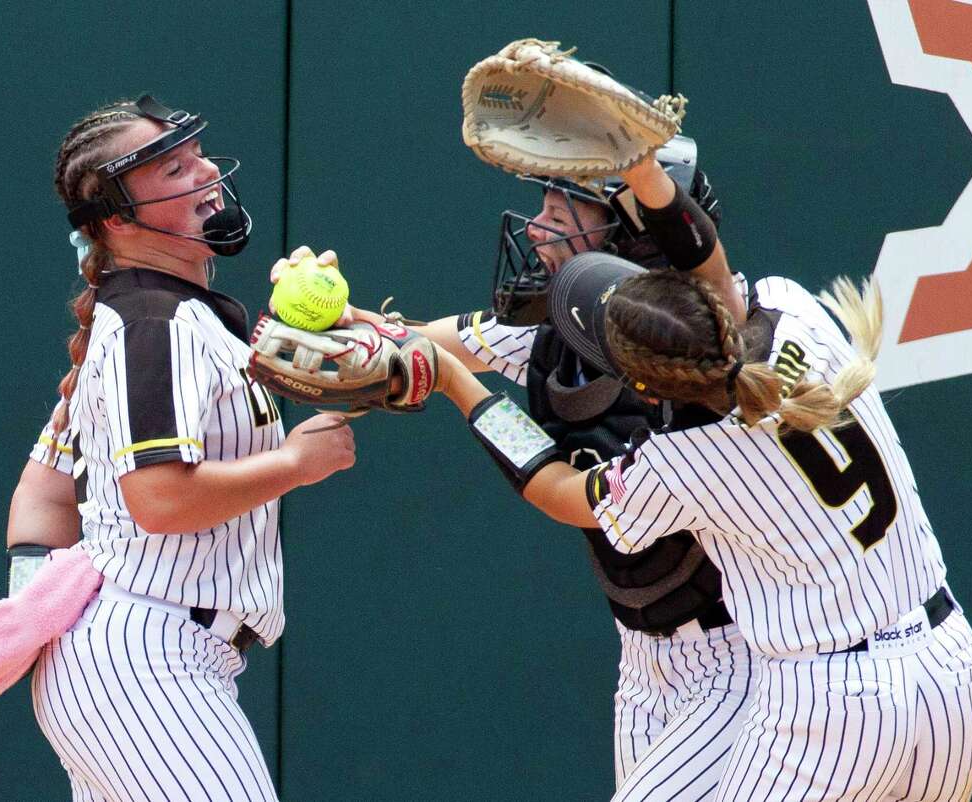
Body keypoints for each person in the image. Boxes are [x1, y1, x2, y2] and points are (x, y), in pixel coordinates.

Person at [431, 204, 972, 799]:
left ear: (639, 386)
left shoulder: (682, 462)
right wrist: (650, 177)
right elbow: (712, 264)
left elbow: (557, 491)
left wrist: (458, 387)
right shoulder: (790, 308)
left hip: (833, 704)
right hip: (947, 667)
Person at [310, 137, 757, 800]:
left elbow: (562, 491)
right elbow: (410, 346)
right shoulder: (561, 326)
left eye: (562, 211)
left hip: (744, 652)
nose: (537, 229)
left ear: (635, 238)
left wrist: (467, 392)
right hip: (642, 657)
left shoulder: (712, 368)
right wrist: (336, 326)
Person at [20, 95, 355, 802]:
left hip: (137, 657)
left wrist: (34, 610)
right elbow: (161, 498)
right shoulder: (153, 322)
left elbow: (45, 486)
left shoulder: (161, 314)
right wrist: (296, 464)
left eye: (195, 154)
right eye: (174, 168)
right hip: (146, 659)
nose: (205, 171)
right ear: (116, 216)